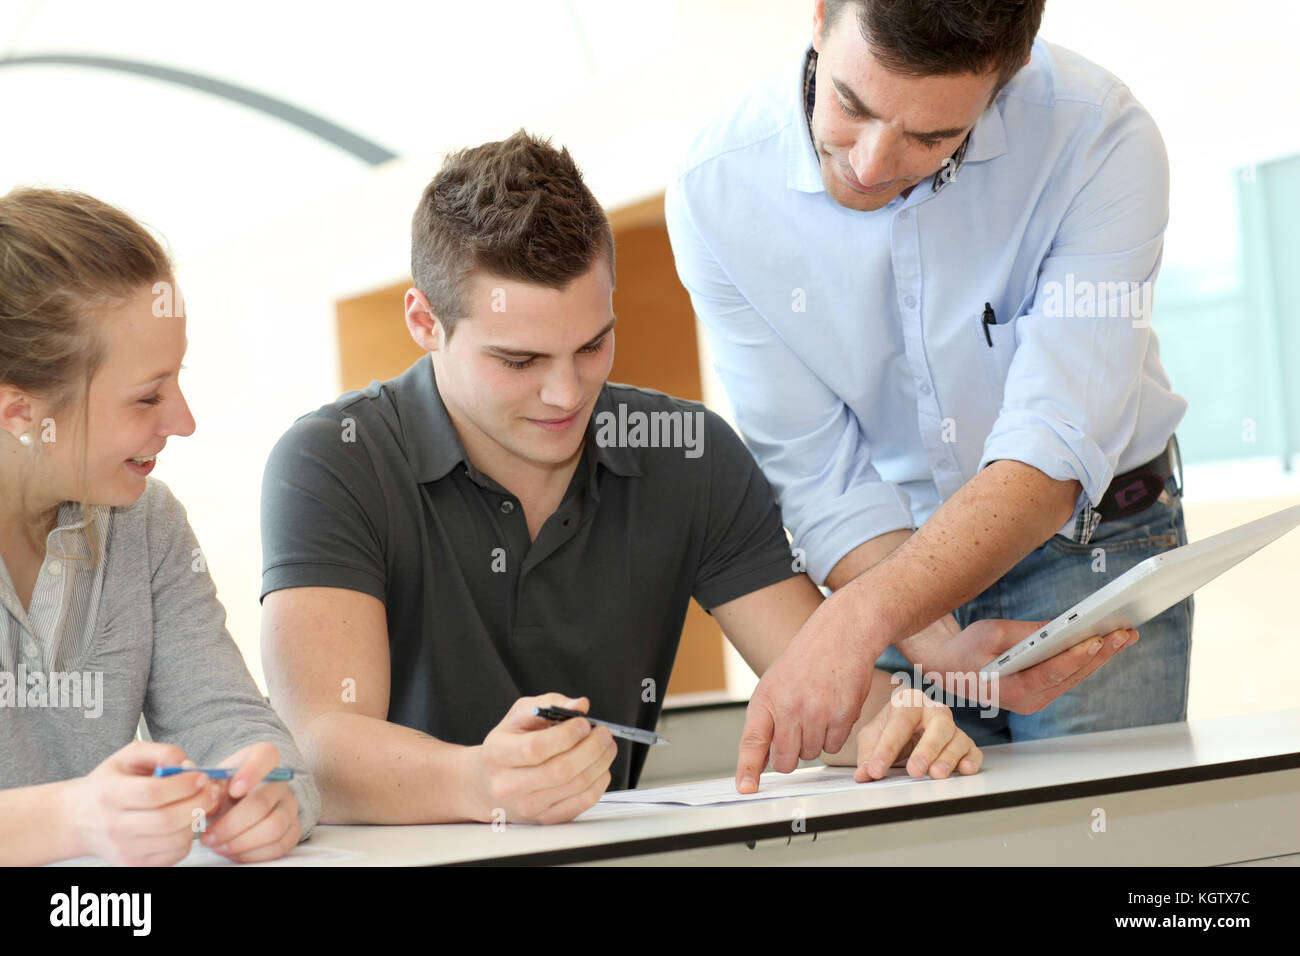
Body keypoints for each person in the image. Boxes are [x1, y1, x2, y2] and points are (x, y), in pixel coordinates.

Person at [259, 129, 1087, 825]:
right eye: (518, 360)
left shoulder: (685, 453)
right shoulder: (332, 460)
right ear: (423, 323)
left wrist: (903, 724)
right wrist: (478, 782)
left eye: (592, 345)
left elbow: (823, 691)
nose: (565, 393)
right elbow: (321, 747)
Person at [664, 0, 1188, 785]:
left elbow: (1052, 446)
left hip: (1095, 546)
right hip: (883, 554)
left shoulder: (1101, 139)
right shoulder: (717, 193)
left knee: (1094, 841)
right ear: (818, 19)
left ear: (1005, 78)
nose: (870, 164)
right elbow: (816, 470)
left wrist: (857, 619)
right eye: (851, 104)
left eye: (932, 136)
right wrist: (928, 636)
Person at [0, 188, 320, 865]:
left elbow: (227, 719)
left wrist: (266, 793)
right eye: (148, 395)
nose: (183, 420)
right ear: (20, 412)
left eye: (176, 379)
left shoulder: (146, 522)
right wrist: (72, 818)